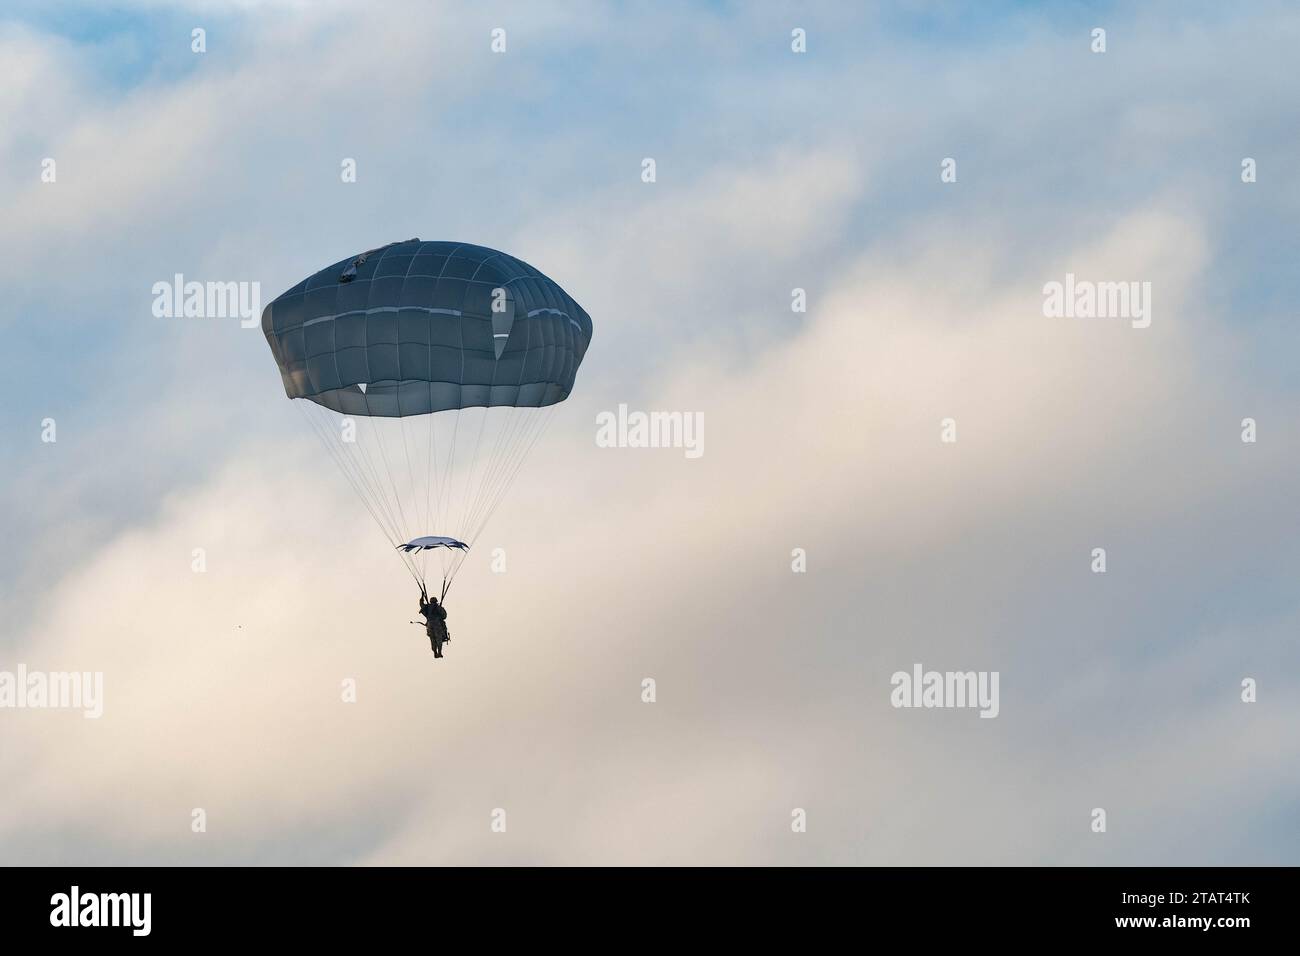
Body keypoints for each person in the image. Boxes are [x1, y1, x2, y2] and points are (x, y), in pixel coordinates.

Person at [418, 585, 451, 658]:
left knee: (432, 639)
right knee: (439, 638)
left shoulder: (426, 607)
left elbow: (421, 604)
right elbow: (444, 616)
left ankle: (435, 652)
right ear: (436, 602)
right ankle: (439, 652)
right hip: (437, 625)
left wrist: (422, 597)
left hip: (429, 625)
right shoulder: (438, 607)